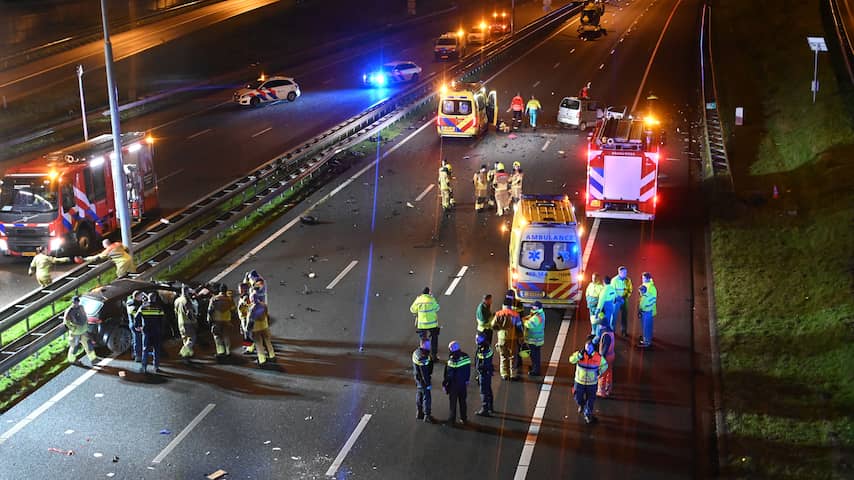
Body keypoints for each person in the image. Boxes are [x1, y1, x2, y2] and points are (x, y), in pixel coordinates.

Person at [569, 335, 608, 423]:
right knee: (577, 397)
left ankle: (588, 414)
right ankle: (581, 404)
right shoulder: (580, 354)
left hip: (592, 383)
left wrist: (599, 373)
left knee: (591, 400)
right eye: (586, 348)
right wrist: (578, 356)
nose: (587, 350)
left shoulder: (598, 357)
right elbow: (571, 360)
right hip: (579, 382)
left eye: (589, 348)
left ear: (593, 348)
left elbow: (605, 365)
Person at [443, 341, 471, 425]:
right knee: (463, 402)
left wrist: (445, 384)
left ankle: (452, 420)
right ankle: (464, 418)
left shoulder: (452, 359)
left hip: (454, 385)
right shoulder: (466, 356)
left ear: (451, 349)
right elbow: (468, 370)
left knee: (453, 403)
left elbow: (449, 374)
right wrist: (466, 380)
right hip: (463, 383)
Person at [64, 296, 98, 365]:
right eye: (75, 302)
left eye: (77, 302)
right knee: (74, 347)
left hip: (83, 331)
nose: (76, 304)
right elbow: (66, 322)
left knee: (89, 345)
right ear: (72, 302)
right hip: (75, 333)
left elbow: (84, 316)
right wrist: (73, 328)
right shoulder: (69, 311)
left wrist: (86, 325)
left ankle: (93, 359)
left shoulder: (81, 307)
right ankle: (72, 360)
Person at [207, 284, 237, 362]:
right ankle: (228, 352)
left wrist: (209, 319)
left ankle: (220, 352)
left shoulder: (214, 299)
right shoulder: (229, 300)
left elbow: (210, 310)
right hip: (226, 320)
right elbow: (233, 310)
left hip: (216, 320)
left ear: (219, 290)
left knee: (217, 336)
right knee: (226, 336)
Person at [410, 287, 440, 361]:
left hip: (422, 324)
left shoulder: (418, 299)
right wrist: (433, 298)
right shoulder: (431, 299)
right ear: (429, 293)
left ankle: (423, 356)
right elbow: (437, 308)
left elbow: (412, 309)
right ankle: (434, 356)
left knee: (423, 340)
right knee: (434, 339)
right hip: (432, 324)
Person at [492, 302, 520, 380]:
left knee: (503, 356)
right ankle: (513, 374)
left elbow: (493, 325)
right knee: (513, 356)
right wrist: (521, 338)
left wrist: (500, 329)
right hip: (512, 338)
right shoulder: (515, 314)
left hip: (501, 338)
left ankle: (504, 374)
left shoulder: (498, 314)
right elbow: (519, 327)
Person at [139, 293, 165, 374]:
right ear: (155, 298)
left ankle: (144, 367)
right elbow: (163, 320)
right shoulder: (159, 308)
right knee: (156, 349)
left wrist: (138, 326)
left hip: (146, 331)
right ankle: (156, 367)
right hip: (156, 331)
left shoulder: (143, 307)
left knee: (145, 349)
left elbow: (136, 318)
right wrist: (162, 329)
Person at [249, 293, 276, 366]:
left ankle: (262, 360)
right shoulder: (264, 305)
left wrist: (248, 329)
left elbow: (251, 320)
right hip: (264, 326)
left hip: (256, 329)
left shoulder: (251, 308)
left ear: (251, 299)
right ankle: (272, 356)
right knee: (267, 341)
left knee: (259, 344)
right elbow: (267, 315)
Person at [412, 338, 435, 423]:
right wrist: (427, 383)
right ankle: (427, 416)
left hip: (417, 378)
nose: (429, 346)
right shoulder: (423, 357)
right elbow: (424, 372)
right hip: (423, 380)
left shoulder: (416, 352)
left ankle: (419, 413)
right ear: (423, 345)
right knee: (427, 397)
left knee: (419, 394)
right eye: (428, 345)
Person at [174, 286, 197, 364]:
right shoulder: (186, 301)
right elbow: (189, 313)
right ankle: (183, 353)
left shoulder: (177, 300)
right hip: (187, 322)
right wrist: (194, 321)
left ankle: (187, 356)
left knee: (185, 339)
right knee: (192, 338)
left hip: (180, 322)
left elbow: (176, 312)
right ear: (187, 291)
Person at [474, 333, 494, 416]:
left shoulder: (483, 349)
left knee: (483, 391)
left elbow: (482, 363)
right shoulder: (486, 347)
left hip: (484, 373)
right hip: (487, 372)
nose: (476, 340)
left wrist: (479, 371)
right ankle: (490, 407)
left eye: (477, 339)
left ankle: (485, 409)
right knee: (488, 389)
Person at [523, 301, 546, 376]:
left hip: (534, 340)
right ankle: (535, 367)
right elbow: (531, 317)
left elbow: (530, 324)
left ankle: (536, 370)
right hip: (536, 339)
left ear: (537, 307)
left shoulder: (538, 316)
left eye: (534, 306)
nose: (532, 307)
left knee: (534, 355)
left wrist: (524, 321)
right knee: (535, 354)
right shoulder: (538, 314)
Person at [611, 266, 633, 336]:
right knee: (614, 316)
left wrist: (626, 296)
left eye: (626, 272)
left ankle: (624, 331)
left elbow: (630, 289)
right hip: (616, 300)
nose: (626, 274)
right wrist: (616, 298)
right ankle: (612, 331)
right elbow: (612, 291)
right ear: (619, 273)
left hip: (624, 299)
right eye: (624, 273)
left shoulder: (628, 280)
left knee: (624, 316)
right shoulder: (614, 280)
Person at [125, 290, 146, 362]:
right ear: (137, 297)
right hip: (135, 325)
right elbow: (136, 317)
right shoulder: (134, 306)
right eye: (141, 296)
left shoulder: (129, 302)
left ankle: (134, 353)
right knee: (138, 340)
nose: (142, 297)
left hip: (131, 324)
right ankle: (138, 356)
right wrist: (138, 326)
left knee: (134, 339)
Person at [597, 321, 616, 397]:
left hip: (606, 357)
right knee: (609, 372)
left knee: (602, 374)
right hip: (611, 355)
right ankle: (608, 388)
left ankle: (601, 391)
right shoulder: (610, 332)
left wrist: (601, 360)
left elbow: (604, 349)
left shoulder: (605, 335)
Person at [237, 282, 255, 354]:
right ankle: (247, 345)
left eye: (240, 288)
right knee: (245, 332)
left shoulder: (246, 298)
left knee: (248, 332)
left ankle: (250, 348)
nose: (238, 290)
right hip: (243, 317)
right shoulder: (243, 296)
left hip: (245, 317)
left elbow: (248, 307)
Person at [585, 274, 605, 339]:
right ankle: (593, 332)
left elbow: (601, 298)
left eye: (595, 278)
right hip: (591, 305)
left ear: (598, 279)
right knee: (592, 320)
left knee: (597, 320)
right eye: (592, 278)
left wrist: (598, 306)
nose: (593, 279)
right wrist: (588, 301)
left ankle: (597, 334)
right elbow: (587, 293)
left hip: (596, 306)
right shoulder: (590, 284)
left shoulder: (601, 287)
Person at [637, 284, 657, 348]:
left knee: (645, 328)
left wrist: (639, 312)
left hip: (645, 313)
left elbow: (641, 307)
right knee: (649, 327)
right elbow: (654, 301)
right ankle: (649, 340)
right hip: (650, 312)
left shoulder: (643, 298)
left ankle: (646, 343)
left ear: (642, 291)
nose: (639, 293)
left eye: (639, 291)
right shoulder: (650, 294)